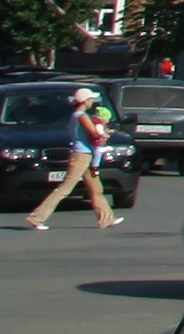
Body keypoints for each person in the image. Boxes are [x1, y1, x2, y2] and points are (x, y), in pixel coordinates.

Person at [20, 88, 120, 231]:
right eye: (90, 99)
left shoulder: (80, 115)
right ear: (85, 101)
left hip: (87, 155)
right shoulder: (81, 115)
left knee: (96, 188)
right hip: (81, 156)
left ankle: (107, 218)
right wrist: (104, 134)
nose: (92, 102)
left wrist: (104, 132)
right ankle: (36, 218)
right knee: (65, 189)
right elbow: (94, 133)